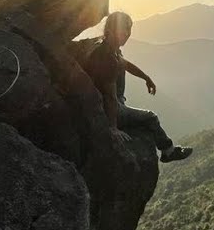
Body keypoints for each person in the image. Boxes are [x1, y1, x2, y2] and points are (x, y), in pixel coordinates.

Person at [78, 12, 193, 163]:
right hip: (109, 108)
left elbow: (125, 64)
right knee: (151, 117)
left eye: (129, 30)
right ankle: (168, 152)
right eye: (123, 29)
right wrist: (113, 127)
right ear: (111, 30)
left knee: (143, 116)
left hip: (109, 103)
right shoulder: (107, 58)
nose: (127, 34)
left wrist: (146, 77)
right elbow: (109, 96)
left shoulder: (109, 49)